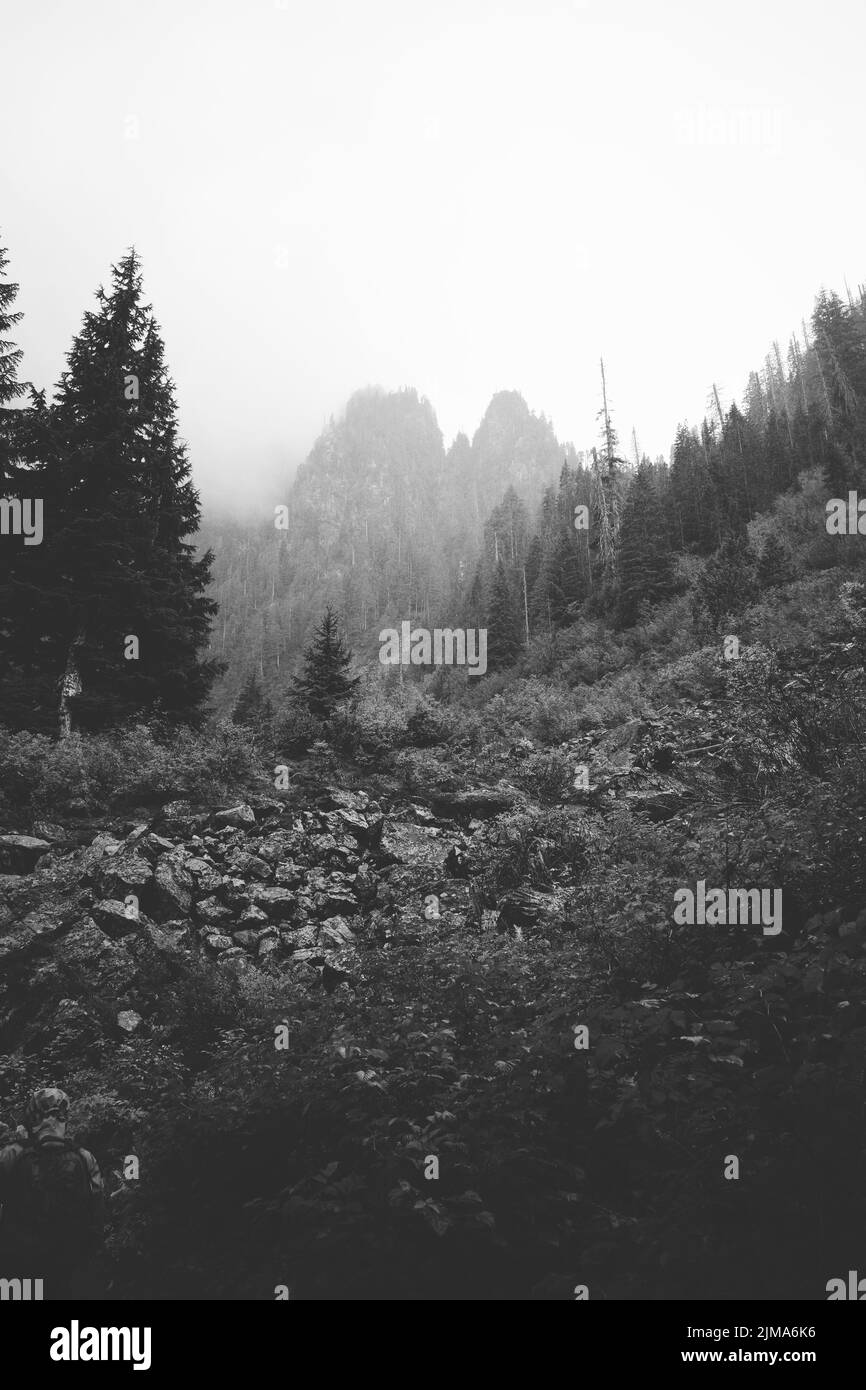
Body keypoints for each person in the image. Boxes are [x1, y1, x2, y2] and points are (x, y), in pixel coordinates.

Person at [0, 1087, 104, 1299]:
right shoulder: (85, 1158)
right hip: (68, 1265)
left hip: (19, 1266)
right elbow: (98, 1211)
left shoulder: (12, 1154)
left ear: (33, 1119)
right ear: (64, 1119)